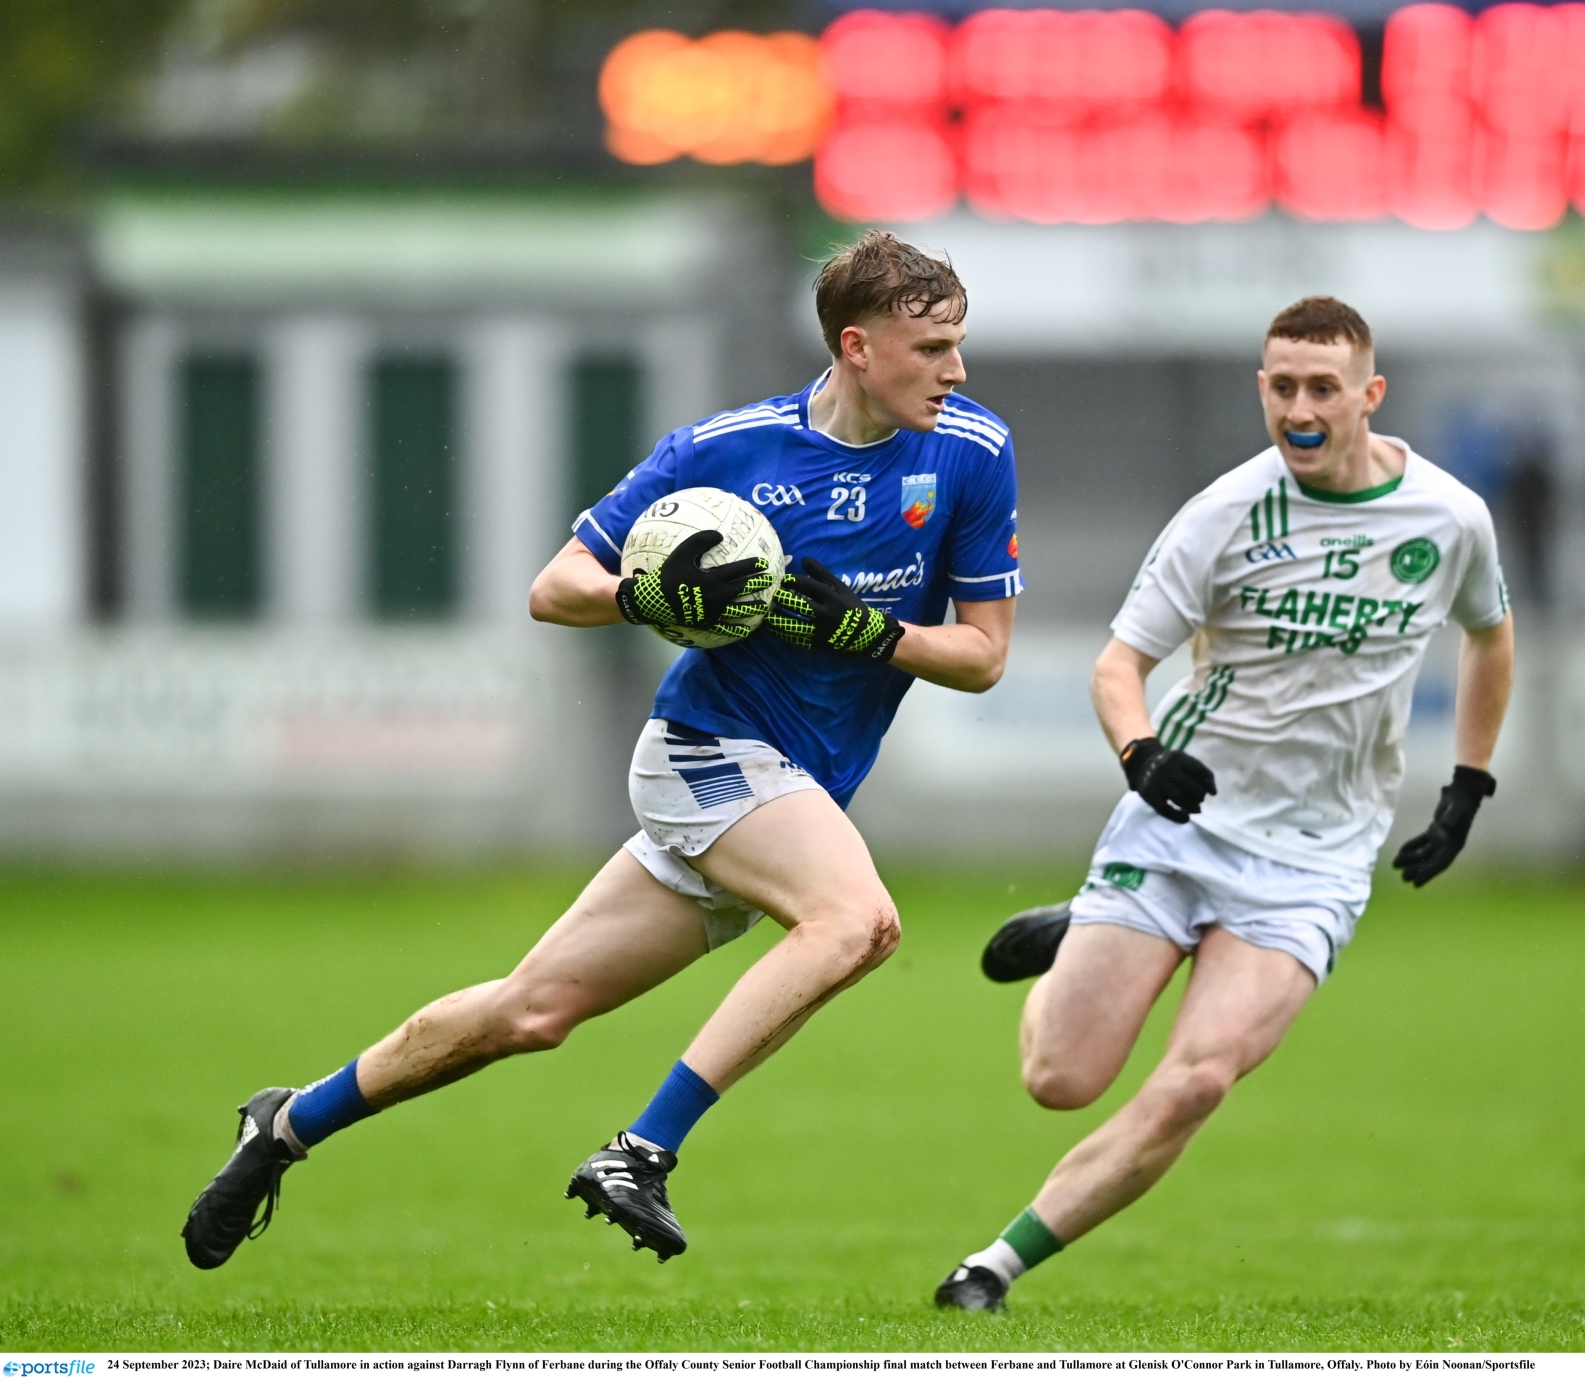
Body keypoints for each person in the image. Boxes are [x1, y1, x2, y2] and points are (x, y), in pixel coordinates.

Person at [181, 230, 1021, 1271]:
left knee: (528, 1012)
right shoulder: (725, 453)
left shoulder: (973, 452)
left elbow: (983, 657)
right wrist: (647, 592)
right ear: (857, 346)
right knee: (858, 921)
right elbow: (555, 588)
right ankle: (642, 1152)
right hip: (709, 750)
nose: (957, 370)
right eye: (932, 347)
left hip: (801, 789)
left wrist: (873, 634)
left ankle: (286, 1124)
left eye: (959, 344)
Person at [933, 296, 1513, 1312]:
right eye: (1281, 385)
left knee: (1199, 1079)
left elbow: (1490, 636)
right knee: (1060, 1077)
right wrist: (1142, 752)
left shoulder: (1450, 517)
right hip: (1183, 828)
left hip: (1317, 858)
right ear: (1262, 389)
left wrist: (1468, 783)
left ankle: (995, 1264)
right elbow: (1119, 664)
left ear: (1369, 395)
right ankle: (1084, 932)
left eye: (1321, 387)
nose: (1298, 405)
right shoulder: (1224, 514)